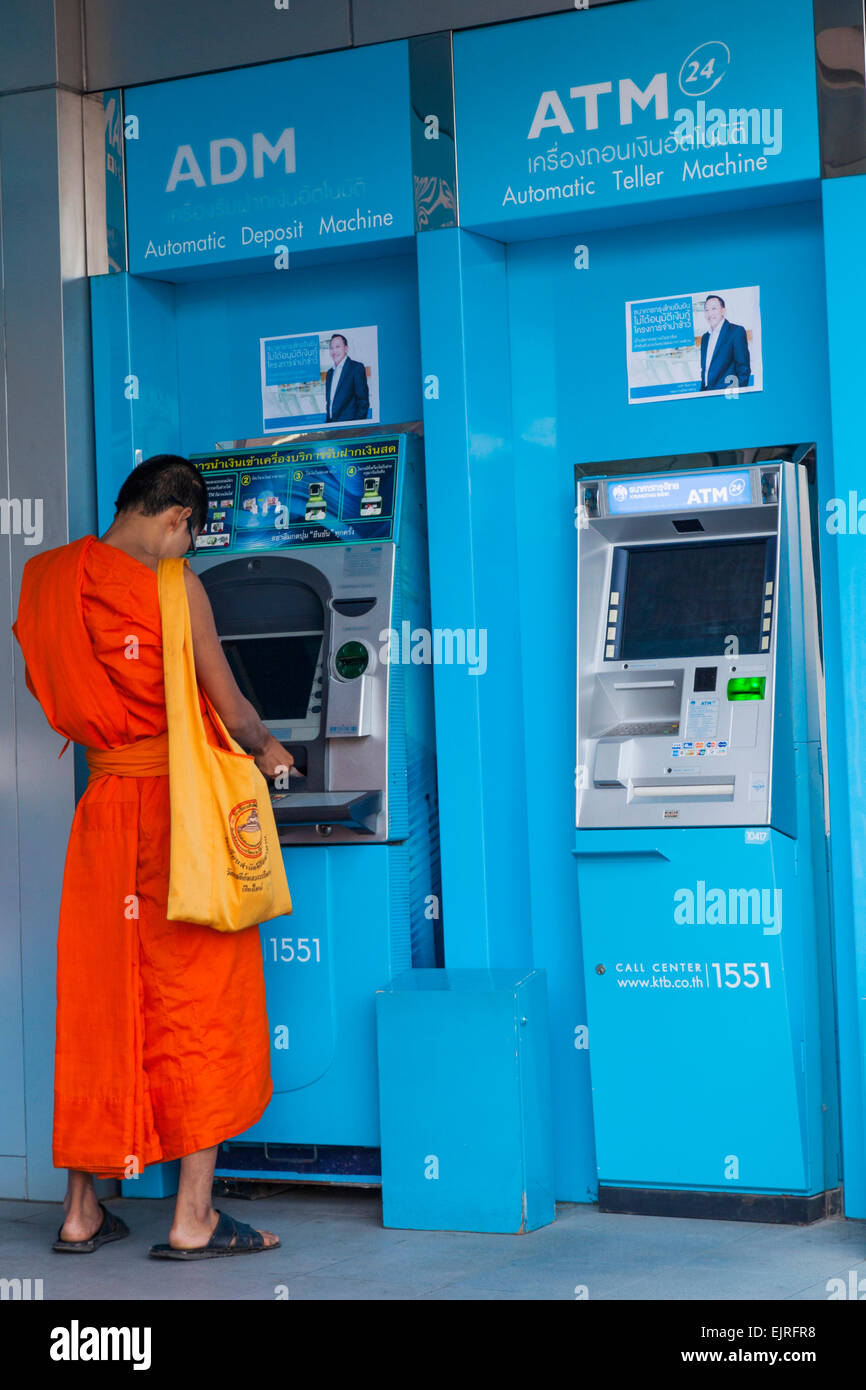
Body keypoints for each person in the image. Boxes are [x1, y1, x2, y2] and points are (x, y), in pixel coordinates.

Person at [12, 455, 294, 1260]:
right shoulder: (178, 589)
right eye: (190, 537)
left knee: (101, 1006)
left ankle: (80, 1211)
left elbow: (56, 688)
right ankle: (192, 1216)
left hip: (101, 817)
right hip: (181, 822)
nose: (187, 552)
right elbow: (231, 707)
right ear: (177, 518)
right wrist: (277, 755)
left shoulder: (49, 580)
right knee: (202, 997)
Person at [699, 293, 751, 392]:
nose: (710, 314)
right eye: (706, 310)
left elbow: (743, 368)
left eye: (714, 309)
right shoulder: (705, 338)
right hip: (707, 395)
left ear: (723, 311)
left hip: (728, 394)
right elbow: (704, 371)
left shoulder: (736, 332)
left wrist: (738, 394)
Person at [324, 333, 370, 422]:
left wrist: (356, 428)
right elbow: (329, 404)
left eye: (337, 347)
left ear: (346, 348)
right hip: (333, 428)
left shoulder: (356, 368)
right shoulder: (329, 373)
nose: (334, 351)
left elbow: (363, 402)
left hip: (350, 429)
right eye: (331, 348)